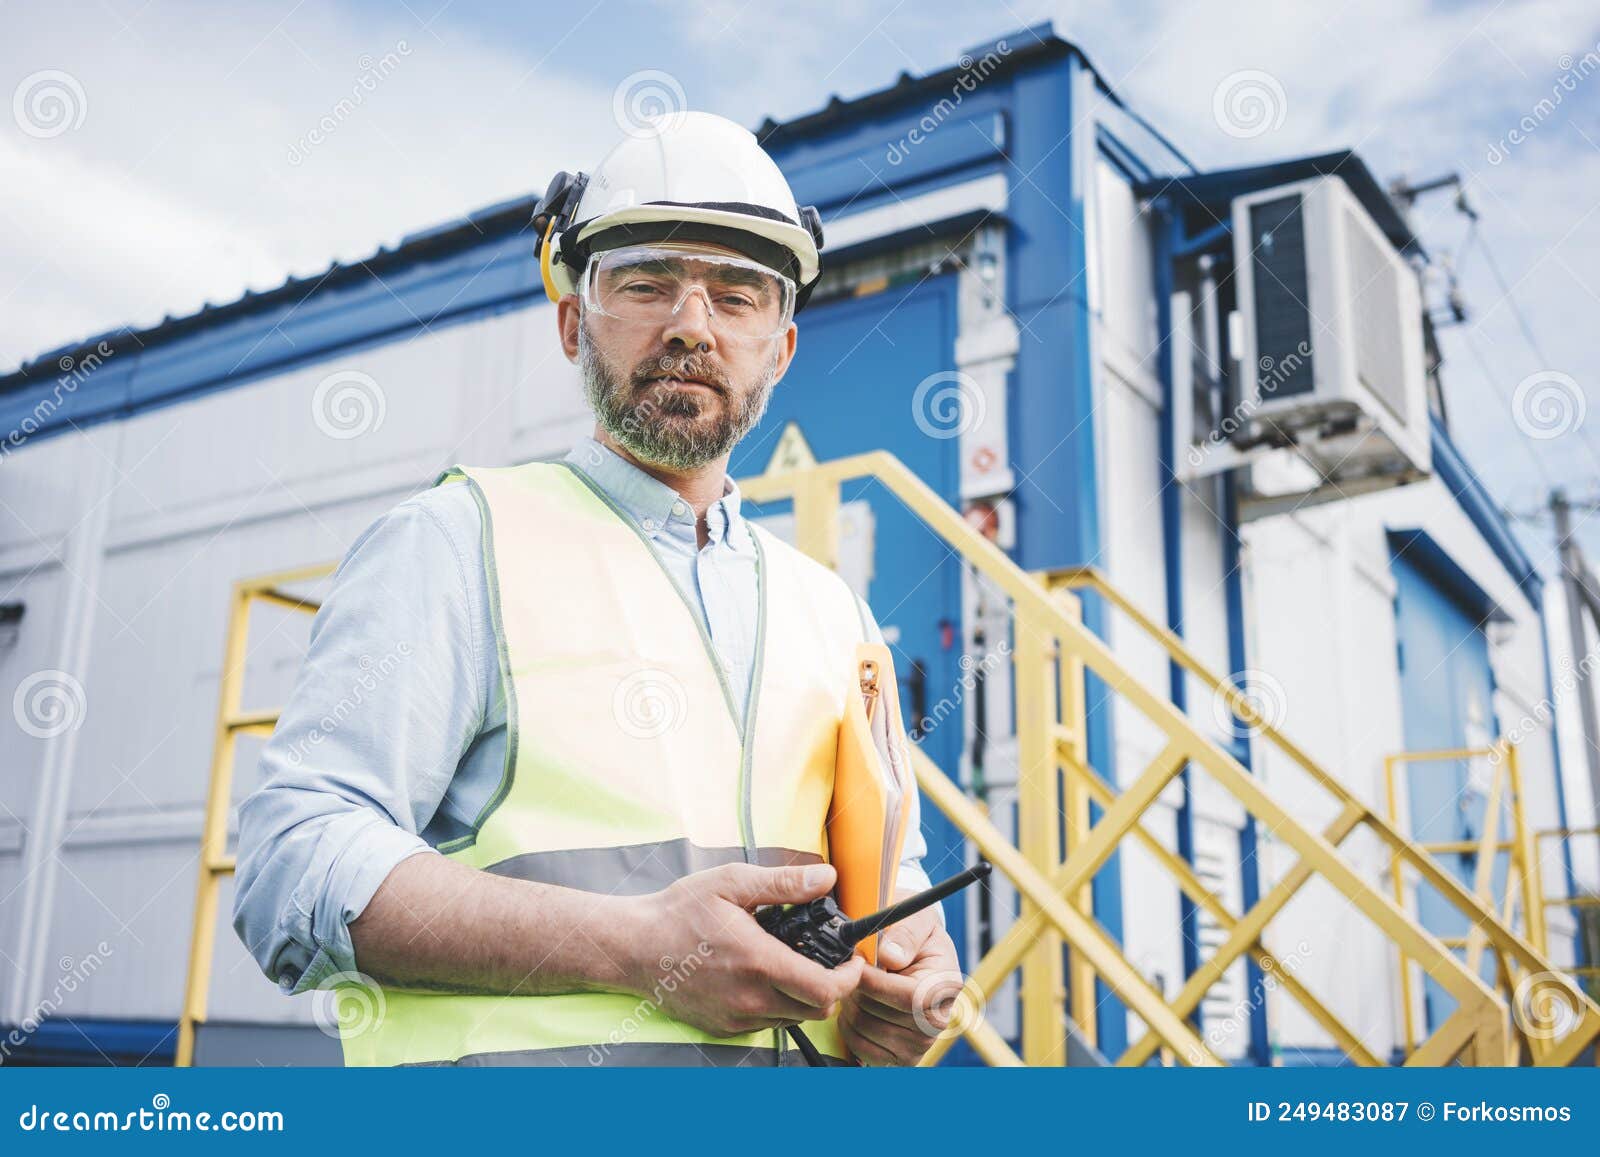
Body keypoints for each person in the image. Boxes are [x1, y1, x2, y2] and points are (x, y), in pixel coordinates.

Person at [233, 111, 960, 1067]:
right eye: (648, 283)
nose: (691, 324)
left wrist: (904, 978)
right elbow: (290, 866)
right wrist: (637, 948)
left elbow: (887, 880)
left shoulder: (835, 612)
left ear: (780, 350)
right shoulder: (456, 543)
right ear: (575, 323)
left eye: (736, 295)